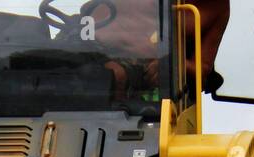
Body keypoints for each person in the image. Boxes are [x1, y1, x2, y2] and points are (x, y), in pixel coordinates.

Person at [94, 0, 230, 96]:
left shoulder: (220, 7)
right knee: (110, 75)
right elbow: (98, 26)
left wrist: (172, 64)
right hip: (112, 54)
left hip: (171, 93)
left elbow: (203, 67)